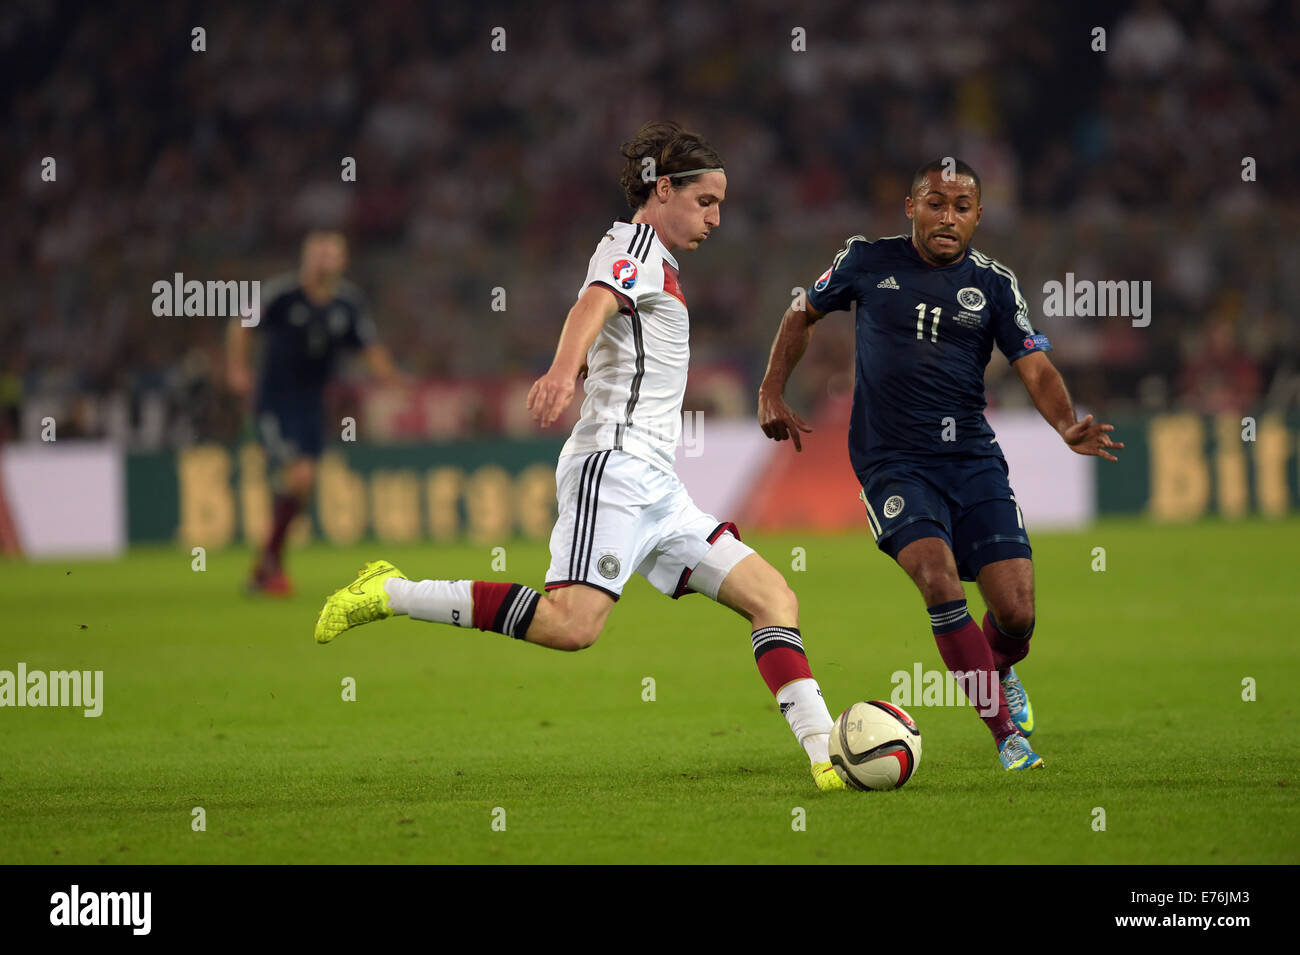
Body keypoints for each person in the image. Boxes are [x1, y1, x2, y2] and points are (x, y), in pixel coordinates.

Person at [314, 121, 845, 791]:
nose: (716, 217)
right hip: (613, 466)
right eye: (705, 201)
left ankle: (826, 754)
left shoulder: (658, 260)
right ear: (662, 189)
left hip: (658, 484)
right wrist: (564, 370)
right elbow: (593, 301)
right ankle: (389, 591)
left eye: (721, 204)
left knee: (773, 596)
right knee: (571, 626)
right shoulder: (636, 243)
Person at [758, 159, 1123, 771]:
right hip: (891, 462)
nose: (947, 216)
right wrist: (771, 389)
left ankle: (999, 667)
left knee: (1017, 612)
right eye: (935, 203)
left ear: (978, 215)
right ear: (911, 207)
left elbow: (1033, 364)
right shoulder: (866, 261)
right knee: (938, 579)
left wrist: (1065, 424)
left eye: (961, 206)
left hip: (971, 460)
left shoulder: (997, 285)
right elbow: (801, 312)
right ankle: (1008, 736)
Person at [227, 230, 405, 595]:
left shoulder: (348, 304)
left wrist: (396, 382)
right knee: (301, 476)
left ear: (343, 260)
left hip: (312, 406)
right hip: (275, 403)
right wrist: (238, 370)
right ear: (306, 258)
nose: (325, 259)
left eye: (332, 253)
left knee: (301, 487)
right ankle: (272, 568)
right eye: (318, 253)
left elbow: (369, 348)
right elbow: (241, 325)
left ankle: (265, 566)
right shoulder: (282, 295)